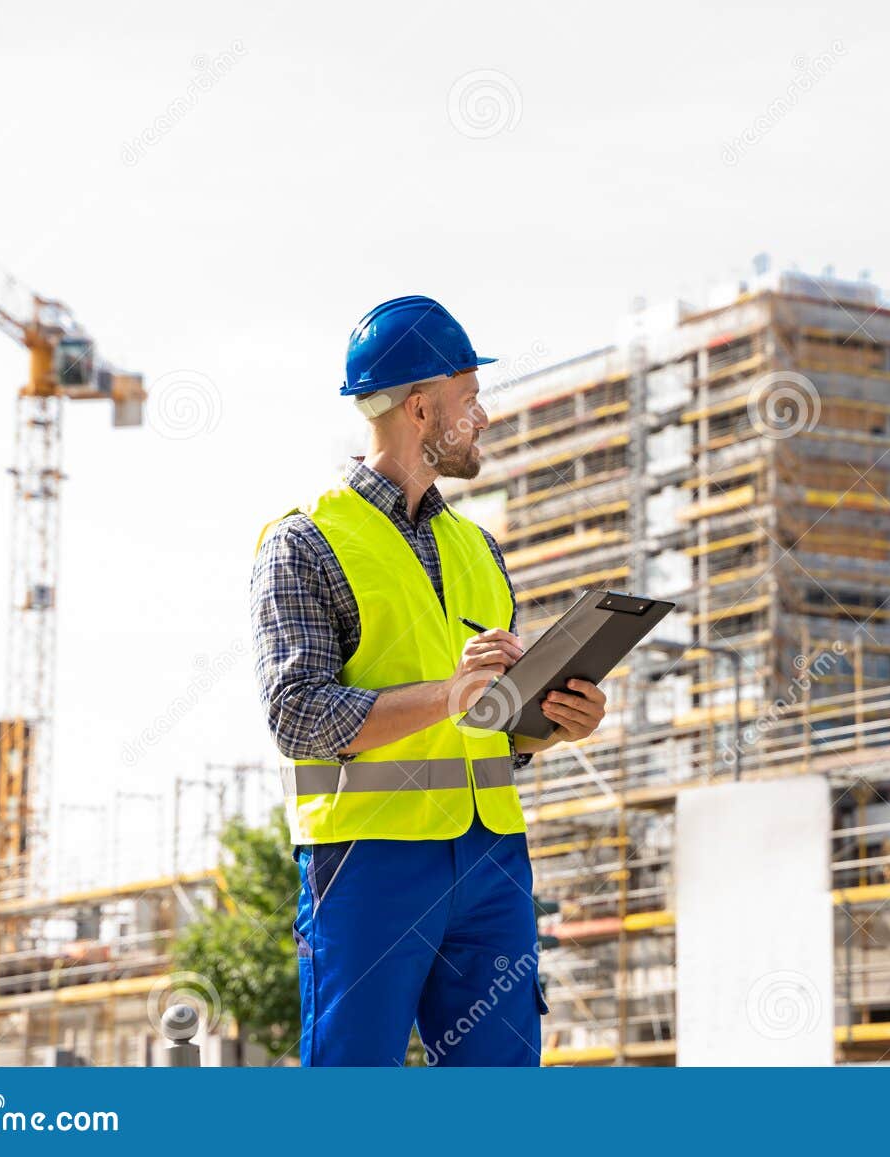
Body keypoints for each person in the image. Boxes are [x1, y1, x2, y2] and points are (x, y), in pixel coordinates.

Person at [249, 295, 608, 1065]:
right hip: (368, 863)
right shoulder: (305, 541)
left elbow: (489, 735)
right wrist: (448, 693)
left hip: (492, 860)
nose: (483, 417)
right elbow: (299, 716)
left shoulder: (479, 548)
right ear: (420, 407)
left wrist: (549, 718)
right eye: (470, 398)